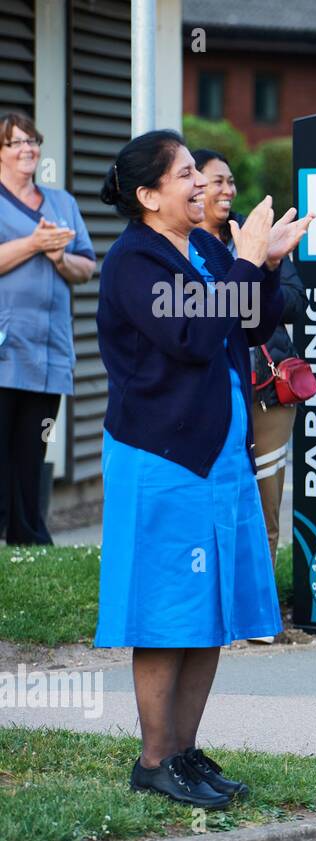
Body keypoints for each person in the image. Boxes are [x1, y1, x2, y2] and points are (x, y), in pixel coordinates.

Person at [93, 129, 312, 808]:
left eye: (200, 172)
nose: (203, 184)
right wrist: (245, 263)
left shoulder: (208, 248)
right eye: (186, 175)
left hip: (219, 453)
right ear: (149, 194)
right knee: (168, 612)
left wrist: (265, 265)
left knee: (211, 608)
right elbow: (191, 336)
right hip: (162, 457)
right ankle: (155, 758)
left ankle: (184, 753)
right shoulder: (134, 262)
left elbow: (249, 325)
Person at [193, 149, 308, 644]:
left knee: (265, 498)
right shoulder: (190, 246)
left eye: (231, 181)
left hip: (270, 388)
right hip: (220, 390)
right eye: (214, 181)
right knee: (224, 499)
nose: (226, 190)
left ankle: (257, 612)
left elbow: (292, 302)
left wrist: (264, 263)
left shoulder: (257, 237)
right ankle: (221, 608)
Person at [0, 113, 96, 544]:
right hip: (5, 347)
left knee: (32, 445)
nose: (26, 149)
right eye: (14, 142)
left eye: (32, 141)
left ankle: (28, 534)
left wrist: (59, 259)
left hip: (48, 350)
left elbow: (87, 268)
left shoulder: (63, 204)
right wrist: (35, 244)